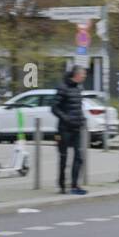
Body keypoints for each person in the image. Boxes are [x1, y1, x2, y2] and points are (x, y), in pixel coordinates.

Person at [51, 65, 87, 195]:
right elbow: (54, 108)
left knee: (79, 157)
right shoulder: (63, 88)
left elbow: (78, 107)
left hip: (76, 128)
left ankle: (74, 185)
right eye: (83, 74)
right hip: (64, 129)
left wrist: (82, 119)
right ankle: (62, 185)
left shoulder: (78, 88)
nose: (84, 76)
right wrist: (66, 119)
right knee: (64, 157)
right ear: (76, 75)